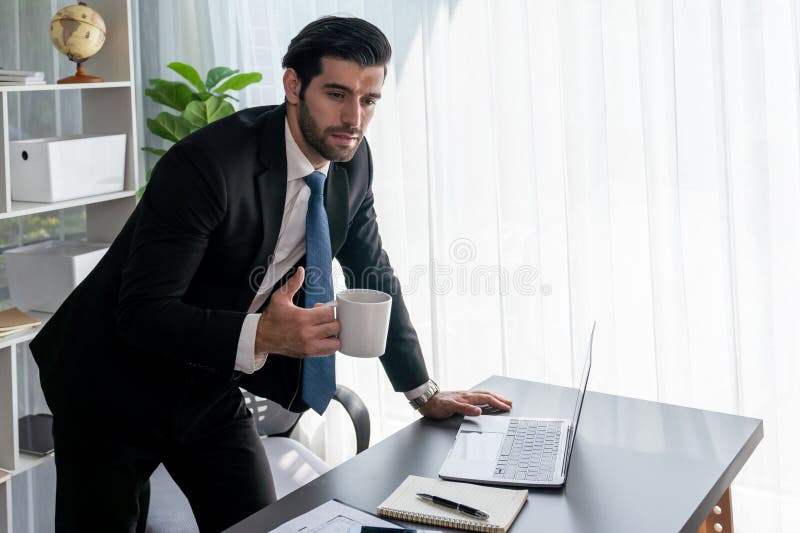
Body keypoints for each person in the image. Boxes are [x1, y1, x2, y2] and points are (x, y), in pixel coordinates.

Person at [30, 15, 512, 532]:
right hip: (109, 381)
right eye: (336, 94)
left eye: (368, 100)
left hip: (208, 377)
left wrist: (422, 392)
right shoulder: (206, 166)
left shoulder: (351, 160)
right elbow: (141, 313)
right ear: (293, 86)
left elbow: (373, 273)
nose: (354, 118)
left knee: (262, 525)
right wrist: (263, 333)